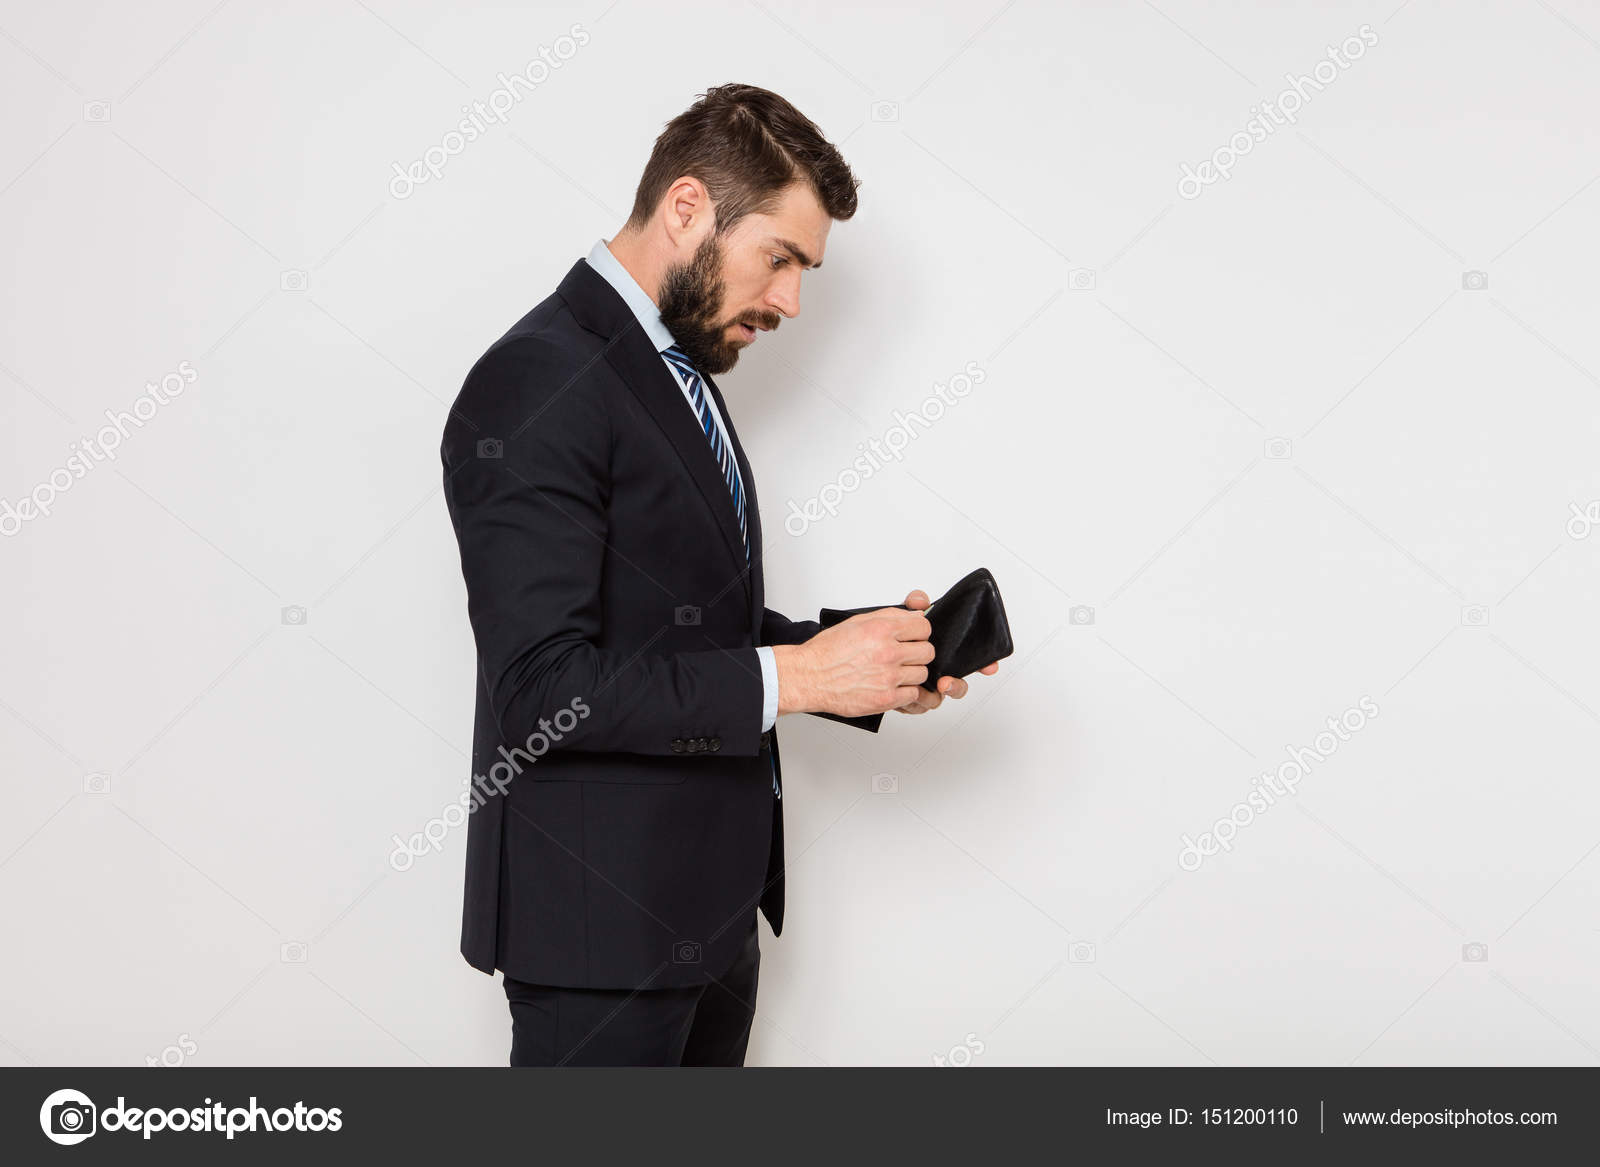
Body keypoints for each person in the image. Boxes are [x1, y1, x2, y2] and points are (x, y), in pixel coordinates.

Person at [440, 83, 999, 1067]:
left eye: (804, 271)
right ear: (688, 207)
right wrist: (799, 680)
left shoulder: (671, 369)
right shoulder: (538, 378)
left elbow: (681, 626)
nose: (789, 300)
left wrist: (859, 658)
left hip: (704, 922)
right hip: (599, 945)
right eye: (778, 258)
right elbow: (541, 691)